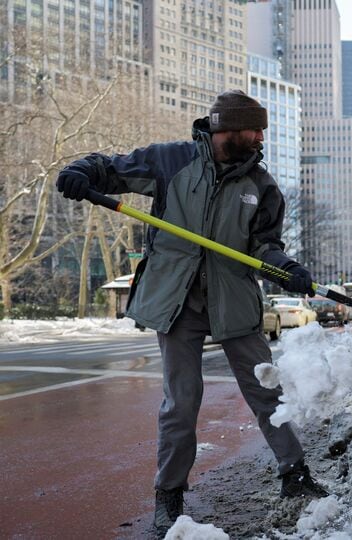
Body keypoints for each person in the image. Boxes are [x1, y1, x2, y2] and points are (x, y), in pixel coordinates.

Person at [56, 90, 327, 536]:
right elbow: (112, 168)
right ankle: (170, 496)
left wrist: (287, 269)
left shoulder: (261, 185)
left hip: (234, 301)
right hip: (177, 302)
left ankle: (295, 476)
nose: (261, 138)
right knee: (181, 404)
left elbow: (265, 248)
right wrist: (81, 170)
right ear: (228, 129)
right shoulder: (171, 162)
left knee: (266, 393)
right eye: (254, 130)